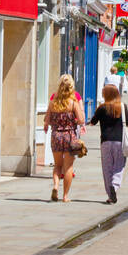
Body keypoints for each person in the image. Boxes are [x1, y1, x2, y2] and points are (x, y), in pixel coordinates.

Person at [43, 74, 86, 203]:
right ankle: (65, 196)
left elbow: (47, 120)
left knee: (57, 166)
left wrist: (56, 123)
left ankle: (56, 186)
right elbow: (81, 120)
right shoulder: (72, 103)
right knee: (68, 167)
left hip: (56, 136)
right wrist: (72, 120)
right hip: (69, 136)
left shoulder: (53, 102)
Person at [89, 83, 128, 204]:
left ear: (106, 94)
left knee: (107, 168)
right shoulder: (122, 106)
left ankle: (110, 195)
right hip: (119, 141)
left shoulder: (102, 108)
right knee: (119, 166)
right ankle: (115, 185)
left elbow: (92, 122)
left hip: (106, 142)